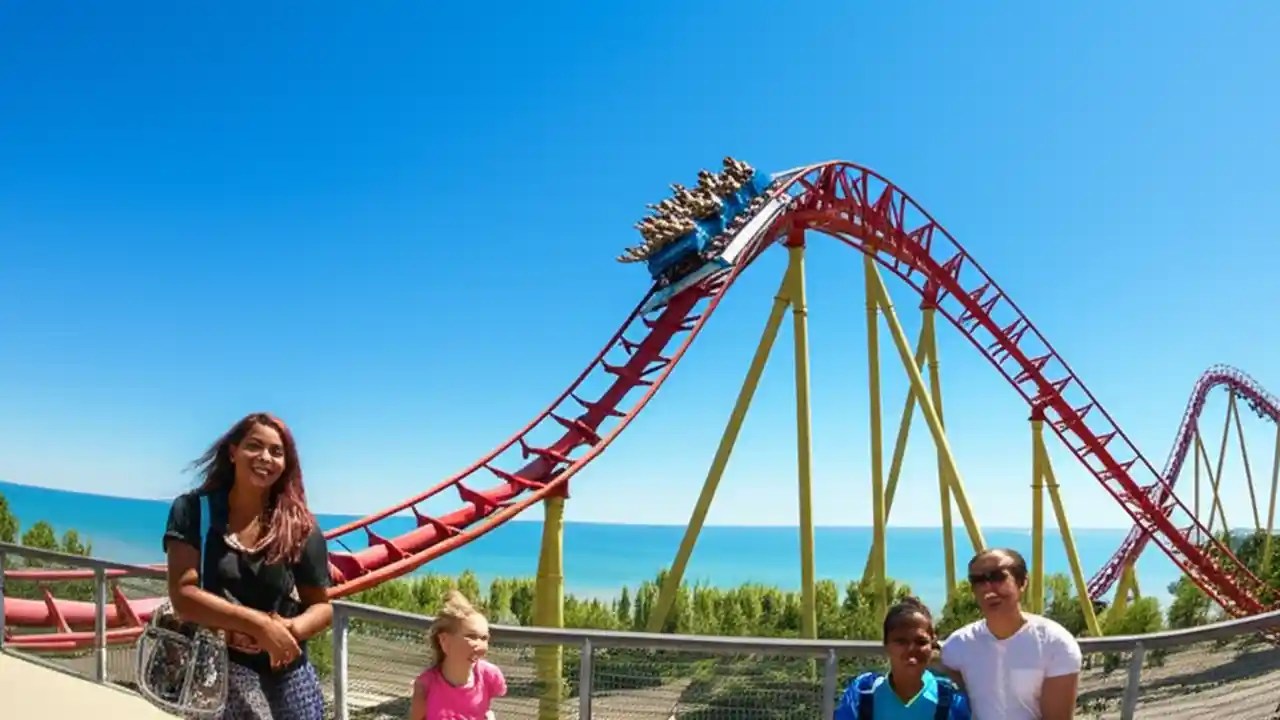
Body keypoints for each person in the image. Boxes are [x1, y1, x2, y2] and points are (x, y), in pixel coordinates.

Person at [163, 412, 333, 719]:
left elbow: (322, 608)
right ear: (233, 451)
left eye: (276, 452)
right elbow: (183, 595)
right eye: (254, 446)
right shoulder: (192, 511)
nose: (265, 458)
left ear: (286, 464)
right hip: (215, 679)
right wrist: (259, 626)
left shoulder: (299, 527)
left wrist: (288, 630)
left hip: (287, 684)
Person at [940, 548, 1083, 720]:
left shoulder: (1055, 644)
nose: (988, 588)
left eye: (997, 577)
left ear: (1022, 582)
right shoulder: (957, 646)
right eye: (978, 580)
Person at [834, 597, 971, 719]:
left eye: (921, 642)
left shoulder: (951, 699)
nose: (911, 649)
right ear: (886, 644)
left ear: (932, 644)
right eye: (901, 641)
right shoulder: (862, 693)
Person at [408, 590, 507, 720]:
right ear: (445, 641)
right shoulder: (425, 686)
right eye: (471, 637)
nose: (480, 646)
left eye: (484, 638)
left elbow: (487, 712)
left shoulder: (489, 676)